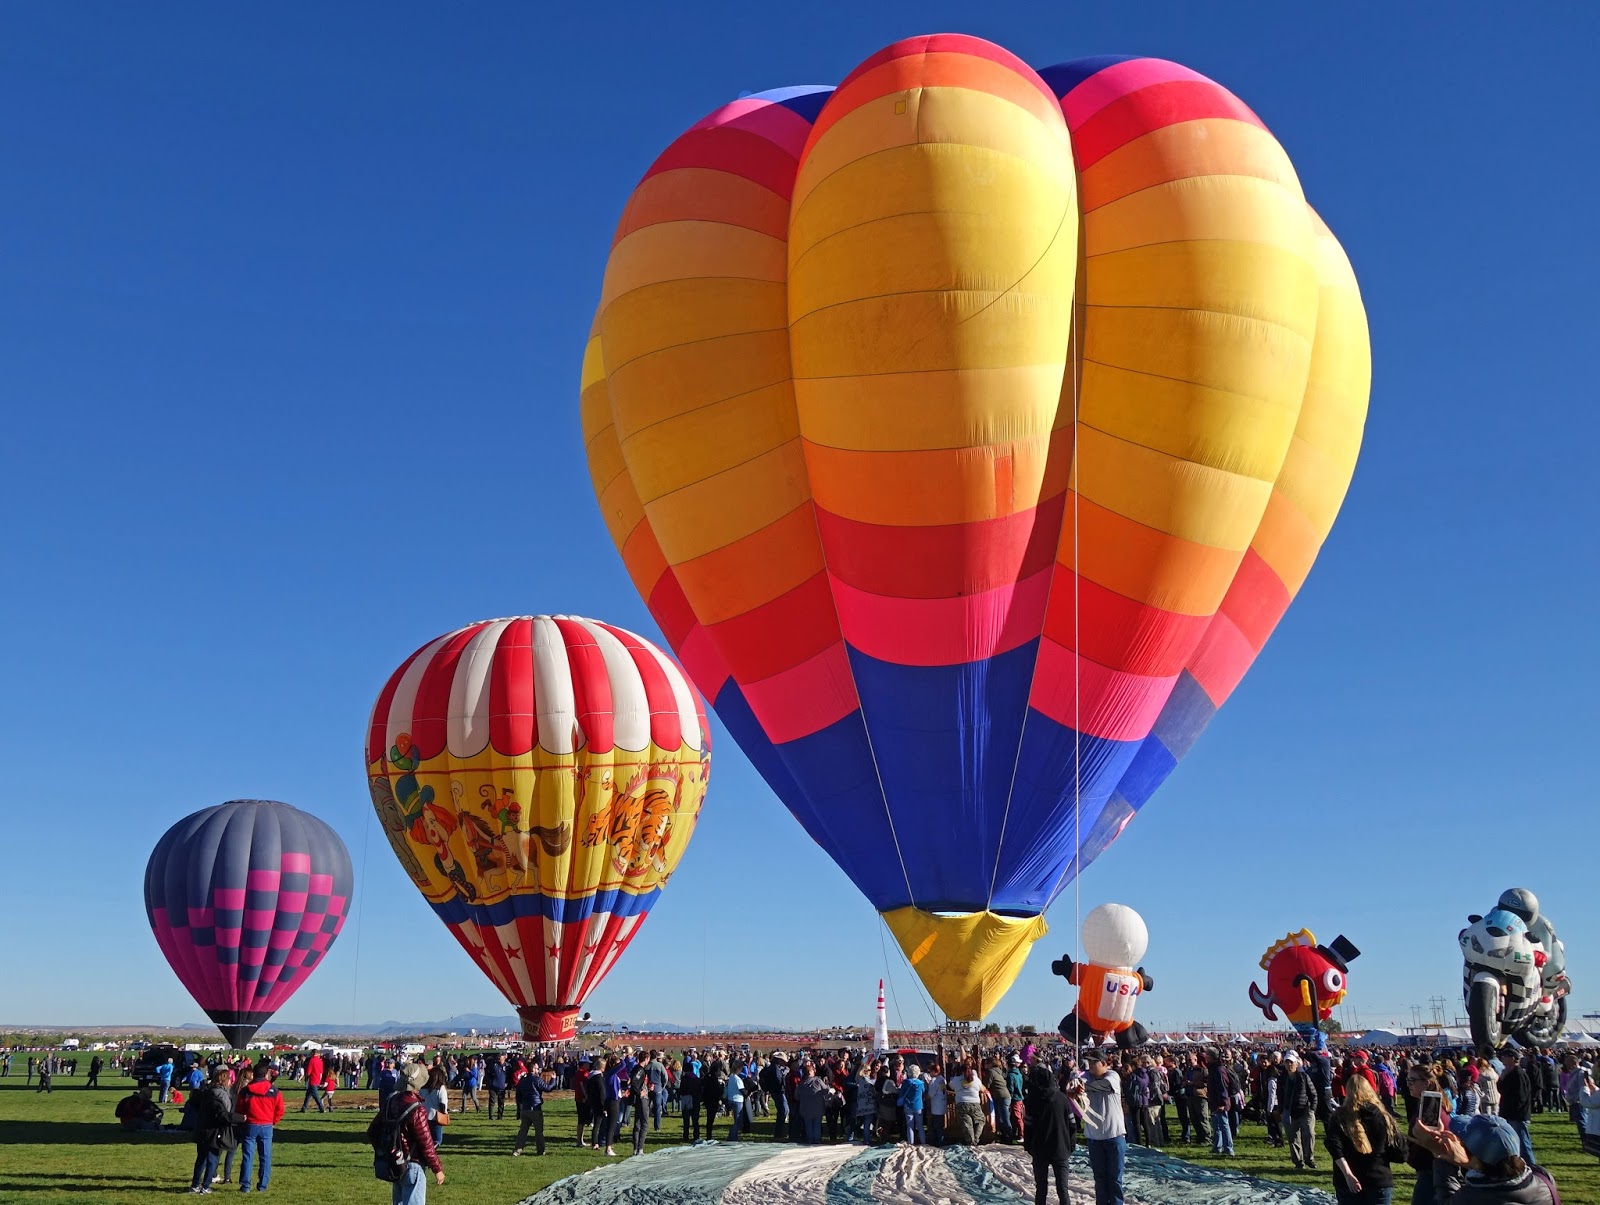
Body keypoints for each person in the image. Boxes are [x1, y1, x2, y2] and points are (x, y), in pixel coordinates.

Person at [1411, 1111, 1559, 1205]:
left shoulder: (1473, 1197)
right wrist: (1470, 1163)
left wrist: (1439, 1154)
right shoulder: (1543, 1178)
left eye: (1464, 1144)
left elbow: (1446, 1200)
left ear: (1477, 1158)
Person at [370, 1063, 445, 1205]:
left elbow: (373, 1130)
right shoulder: (417, 1109)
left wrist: (387, 1151)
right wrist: (437, 1169)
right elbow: (426, 1142)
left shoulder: (391, 1101)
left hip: (396, 1162)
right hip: (412, 1164)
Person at [1326, 1075, 1407, 1204]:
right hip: (1378, 1178)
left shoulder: (1339, 1117)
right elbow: (1401, 1153)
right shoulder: (1383, 1117)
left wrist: (1348, 1174)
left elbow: (1335, 1147)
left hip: (1348, 1183)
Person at [1074, 1051, 1126, 1205]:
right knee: (1099, 1178)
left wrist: (1081, 1087)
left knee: (1115, 1179)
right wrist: (1074, 1081)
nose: (1090, 1065)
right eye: (1088, 1062)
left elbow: (1102, 1086)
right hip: (1094, 1139)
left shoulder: (1113, 1076)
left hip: (1114, 1136)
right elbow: (1078, 1081)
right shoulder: (1087, 1077)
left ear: (1103, 1063)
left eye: (1093, 1062)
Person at [1025, 1063, 1075, 1205]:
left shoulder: (1032, 1100)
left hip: (1040, 1148)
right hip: (1060, 1147)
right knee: (1063, 1189)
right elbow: (1072, 1124)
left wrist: (1028, 1146)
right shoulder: (1062, 1098)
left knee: (1041, 1188)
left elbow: (1028, 1127)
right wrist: (1071, 1144)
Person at [189, 1068, 244, 1195]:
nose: (231, 1082)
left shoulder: (206, 1092)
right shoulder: (221, 1094)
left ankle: (195, 1185)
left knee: (201, 1159)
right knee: (212, 1159)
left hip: (202, 1129)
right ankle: (206, 1186)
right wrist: (240, 1118)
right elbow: (224, 1114)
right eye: (229, 1079)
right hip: (215, 1131)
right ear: (224, 1080)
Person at [237, 1062, 284, 1195]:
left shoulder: (245, 1091)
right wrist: (273, 1121)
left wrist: (243, 1121)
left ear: (253, 1074)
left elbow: (239, 1108)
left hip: (250, 1124)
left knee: (247, 1155)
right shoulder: (273, 1091)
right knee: (265, 1156)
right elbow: (280, 1109)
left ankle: (245, 1185)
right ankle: (262, 1185)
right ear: (266, 1074)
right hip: (266, 1125)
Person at [1282, 1050, 1320, 1171]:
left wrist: (1312, 1109)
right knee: (1293, 1137)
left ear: (1296, 1064)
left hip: (1305, 1110)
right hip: (1290, 1111)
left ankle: (1309, 1158)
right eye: (1287, 1062)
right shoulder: (1282, 1078)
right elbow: (1280, 1094)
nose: (1289, 1065)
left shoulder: (1303, 1077)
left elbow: (1313, 1093)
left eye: (1291, 1062)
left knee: (1309, 1134)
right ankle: (1298, 1162)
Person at [1496, 1050, 1535, 1167]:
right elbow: (1501, 1090)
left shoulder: (1519, 1074)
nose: (1502, 1059)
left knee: (1523, 1143)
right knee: (1516, 1142)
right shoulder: (1509, 1073)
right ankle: (1521, 1165)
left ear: (1513, 1058)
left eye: (1505, 1057)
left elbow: (1521, 1097)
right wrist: (1502, 1077)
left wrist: (1513, 1111)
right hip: (1510, 1113)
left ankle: (1532, 1166)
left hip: (1517, 1115)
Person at [512, 1062, 552, 1156]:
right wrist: (553, 1080)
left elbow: (518, 1095)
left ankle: (517, 1149)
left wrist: (521, 1105)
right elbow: (548, 1088)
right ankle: (540, 1150)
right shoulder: (536, 1079)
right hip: (535, 1108)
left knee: (523, 1131)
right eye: (537, 1068)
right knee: (538, 1131)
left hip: (525, 1108)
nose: (538, 1070)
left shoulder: (523, 1080)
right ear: (533, 1069)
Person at [421, 1067, 450, 1149]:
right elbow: (443, 1103)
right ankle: (431, 1151)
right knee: (437, 1140)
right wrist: (444, 1113)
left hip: (423, 1116)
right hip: (436, 1117)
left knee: (426, 1138)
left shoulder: (422, 1087)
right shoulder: (440, 1088)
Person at [898, 1064, 926, 1146]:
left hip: (908, 1105)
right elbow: (923, 1093)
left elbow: (901, 1093)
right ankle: (923, 1143)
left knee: (910, 1126)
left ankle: (911, 1143)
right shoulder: (921, 1083)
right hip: (918, 1106)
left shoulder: (905, 1082)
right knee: (920, 1126)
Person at [678, 1059, 701, 1143]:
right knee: (695, 1120)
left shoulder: (684, 1079)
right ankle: (696, 1135)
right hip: (695, 1100)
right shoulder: (696, 1079)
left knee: (686, 1120)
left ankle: (686, 1135)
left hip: (686, 1100)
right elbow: (699, 1091)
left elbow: (681, 1090)